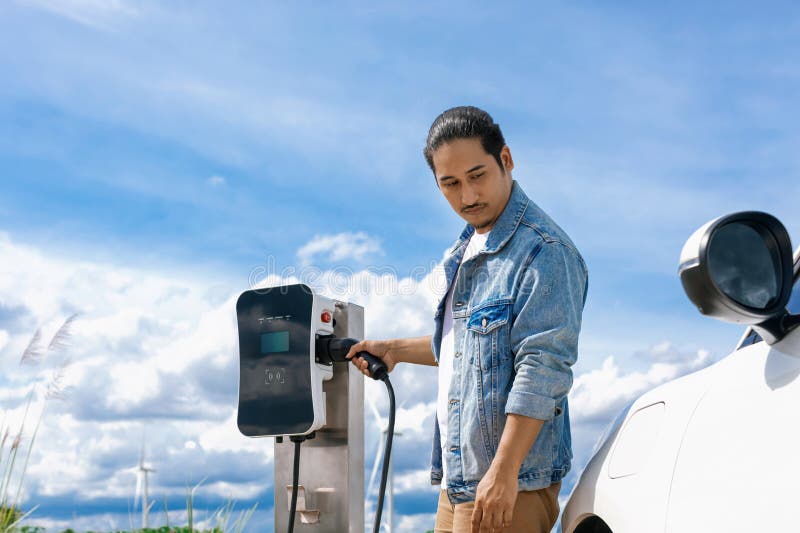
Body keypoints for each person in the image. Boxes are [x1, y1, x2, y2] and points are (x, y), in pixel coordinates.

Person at [346, 106, 588, 533]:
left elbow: (542, 369)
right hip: (458, 481)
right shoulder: (463, 253)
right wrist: (396, 350)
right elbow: (471, 353)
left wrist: (504, 472)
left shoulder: (544, 251)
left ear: (506, 160)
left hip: (510, 483)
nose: (467, 196)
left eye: (477, 176)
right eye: (451, 184)